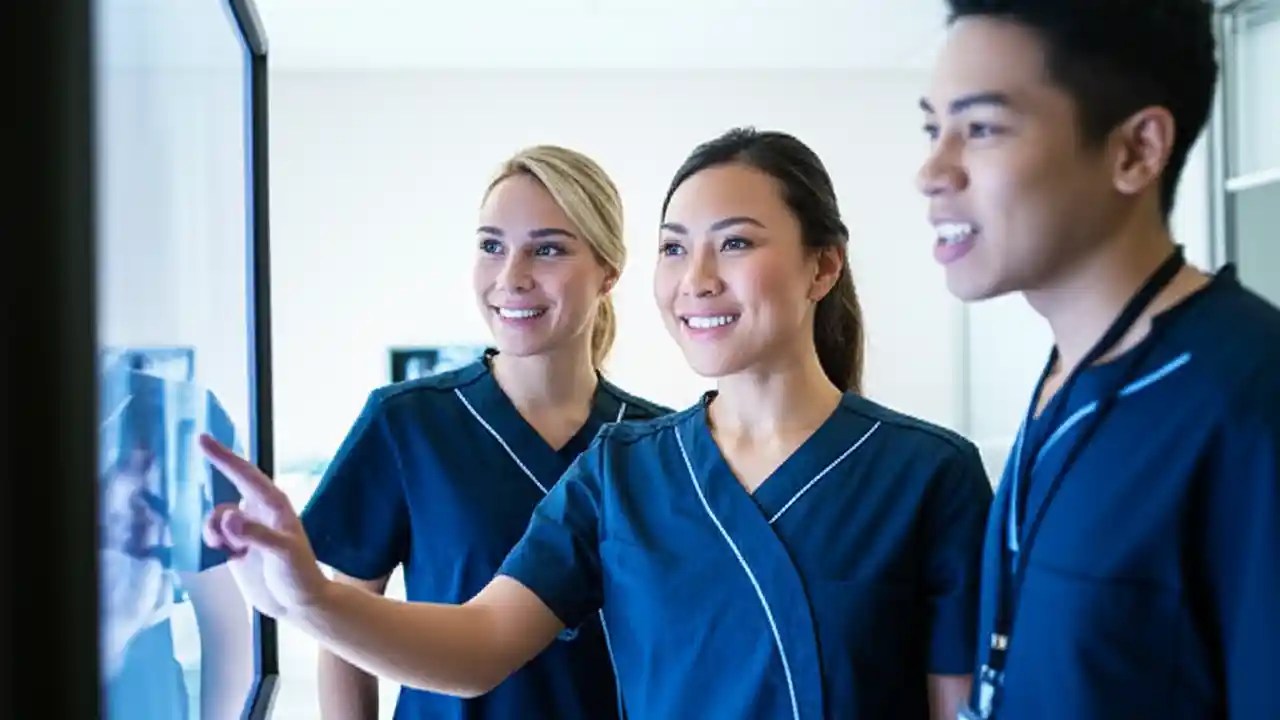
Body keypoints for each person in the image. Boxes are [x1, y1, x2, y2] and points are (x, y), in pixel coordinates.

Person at [200, 128, 994, 720]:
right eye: (675, 250)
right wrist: (312, 603)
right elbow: (479, 645)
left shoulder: (929, 475)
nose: (698, 280)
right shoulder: (619, 474)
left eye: (737, 244)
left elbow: (959, 706)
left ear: (823, 266)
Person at [916, 1, 1280, 718]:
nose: (932, 171)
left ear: (1136, 151)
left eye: (981, 128)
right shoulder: (1068, 381)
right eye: (932, 129)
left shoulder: (1247, 400)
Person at [296, 144, 671, 720]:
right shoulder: (409, 423)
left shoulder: (658, 445)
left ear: (608, 272)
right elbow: (343, 629)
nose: (511, 277)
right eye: (492, 247)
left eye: (547, 250)